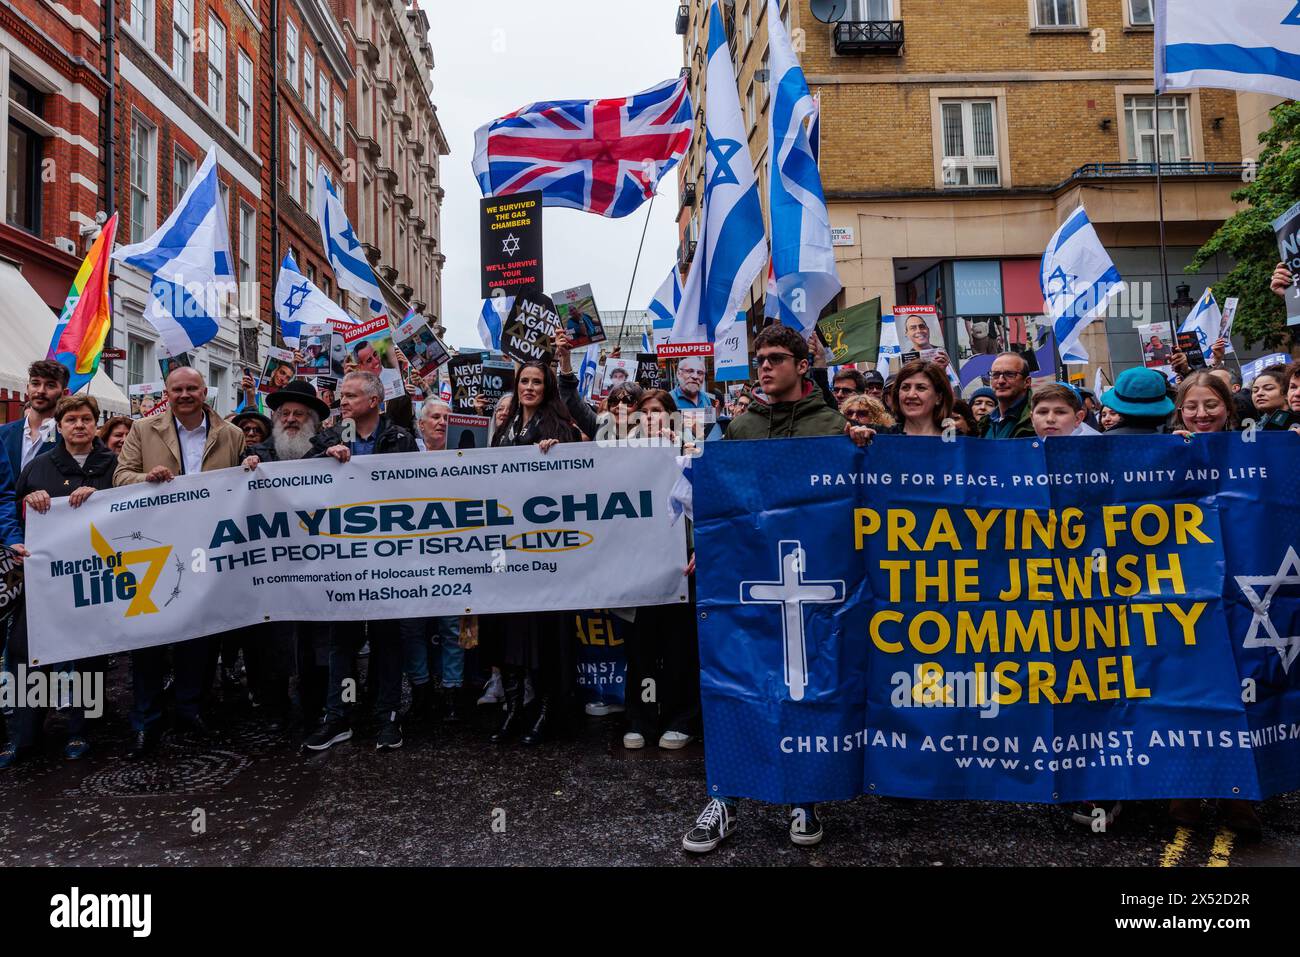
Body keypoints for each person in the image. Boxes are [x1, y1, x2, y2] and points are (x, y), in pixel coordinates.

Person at [684, 323, 872, 857]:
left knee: (810, 684)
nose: (763, 367)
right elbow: (721, 503)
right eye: (758, 359)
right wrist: (708, 548)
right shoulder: (739, 427)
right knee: (736, 680)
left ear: (799, 364)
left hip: (816, 582)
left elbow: (856, 506)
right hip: (749, 581)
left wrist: (862, 448)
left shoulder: (833, 424)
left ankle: (804, 794)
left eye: (773, 359)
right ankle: (727, 796)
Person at [114, 367, 246, 759]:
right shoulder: (143, 430)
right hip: (155, 547)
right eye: (178, 389)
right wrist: (146, 479)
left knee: (199, 634)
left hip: (206, 548)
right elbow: (119, 477)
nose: (185, 394)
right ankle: (146, 720)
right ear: (167, 393)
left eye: (192, 388)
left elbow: (242, 486)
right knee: (150, 634)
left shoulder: (231, 434)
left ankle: (190, 710)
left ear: (205, 391)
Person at [302, 371, 417, 752]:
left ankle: (388, 715)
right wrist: (323, 456)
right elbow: (296, 480)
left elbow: (416, 488)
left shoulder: (399, 439)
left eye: (351, 395)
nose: (343, 402)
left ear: (374, 400)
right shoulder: (330, 437)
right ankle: (341, 715)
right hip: (342, 559)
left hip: (386, 558)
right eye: (342, 396)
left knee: (387, 640)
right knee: (343, 643)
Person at [472, 361, 582, 747]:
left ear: (546, 387)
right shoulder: (503, 429)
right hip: (503, 546)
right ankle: (514, 708)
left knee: (543, 628)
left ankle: (546, 711)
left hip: (541, 545)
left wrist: (556, 453)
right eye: (524, 381)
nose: (529, 387)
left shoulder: (558, 428)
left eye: (537, 381)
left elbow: (573, 479)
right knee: (506, 625)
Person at [1, 396, 115, 768]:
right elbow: (13, 511)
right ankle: (24, 735)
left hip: (94, 580)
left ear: (96, 425)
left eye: (86, 419)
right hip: (43, 583)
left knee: (87, 656)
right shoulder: (37, 468)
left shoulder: (113, 466)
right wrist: (28, 500)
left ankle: (81, 730)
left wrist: (101, 498)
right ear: (60, 425)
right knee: (25, 654)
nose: (79, 425)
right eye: (71, 420)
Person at [240, 381, 333, 731]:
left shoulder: (330, 450)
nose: (291, 419)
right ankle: (275, 706)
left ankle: (317, 704)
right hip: (273, 565)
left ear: (312, 419)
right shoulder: (259, 454)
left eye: (299, 413)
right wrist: (244, 469)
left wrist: (342, 462)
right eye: (285, 413)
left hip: (318, 564)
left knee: (316, 640)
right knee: (274, 640)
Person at [400, 399, 469, 724]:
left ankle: (454, 692)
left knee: (452, 626)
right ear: (421, 424)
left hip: (454, 555)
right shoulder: (404, 457)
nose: (442, 422)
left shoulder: (467, 458)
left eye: (447, 417)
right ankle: (421, 690)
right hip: (412, 559)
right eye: (435, 417)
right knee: (412, 626)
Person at [0, 360, 68, 481]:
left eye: (50, 385)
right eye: (35, 383)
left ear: (64, 393)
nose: (41, 391)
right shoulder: (3, 433)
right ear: (27, 388)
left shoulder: (68, 437)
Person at [882, 360, 953, 437]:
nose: (911, 395)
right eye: (905, 387)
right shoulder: (879, 437)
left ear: (938, 397)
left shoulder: (956, 441)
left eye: (921, 388)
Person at [1097, 366, 1173, 435]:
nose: (1107, 419)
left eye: (1113, 413)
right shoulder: (1176, 440)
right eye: (1103, 415)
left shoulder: (1100, 443)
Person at [978, 352, 1035, 439]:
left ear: (1027, 382)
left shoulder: (1038, 420)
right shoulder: (985, 423)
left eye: (1010, 374)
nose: (1001, 381)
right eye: (995, 375)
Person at [1172, 370, 1237, 435]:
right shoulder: (1168, 444)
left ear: (1228, 409)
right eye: (1191, 407)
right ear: (1180, 413)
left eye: (1211, 405)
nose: (1201, 414)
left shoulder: (1243, 442)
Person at [1030, 383, 1097, 438]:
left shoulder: (1099, 449)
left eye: (1060, 412)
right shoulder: (1023, 449)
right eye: (1043, 412)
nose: (1050, 419)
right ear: (1032, 418)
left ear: (1078, 418)